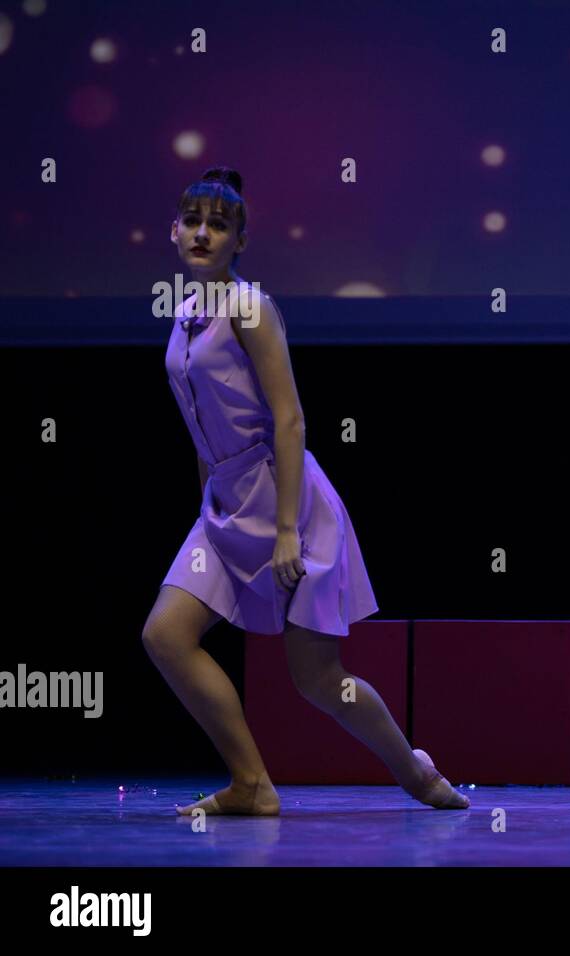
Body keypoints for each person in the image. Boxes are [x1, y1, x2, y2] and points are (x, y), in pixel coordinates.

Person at [143, 165, 469, 814]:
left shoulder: (250, 308)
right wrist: (204, 509)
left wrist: (287, 528)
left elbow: (289, 418)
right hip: (222, 506)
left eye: (220, 225)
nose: (203, 234)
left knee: (318, 679)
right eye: (193, 222)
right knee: (165, 636)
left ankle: (416, 773)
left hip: (282, 500)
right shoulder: (182, 314)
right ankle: (252, 785)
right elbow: (201, 428)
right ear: (173, 232)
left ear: (240, 240)